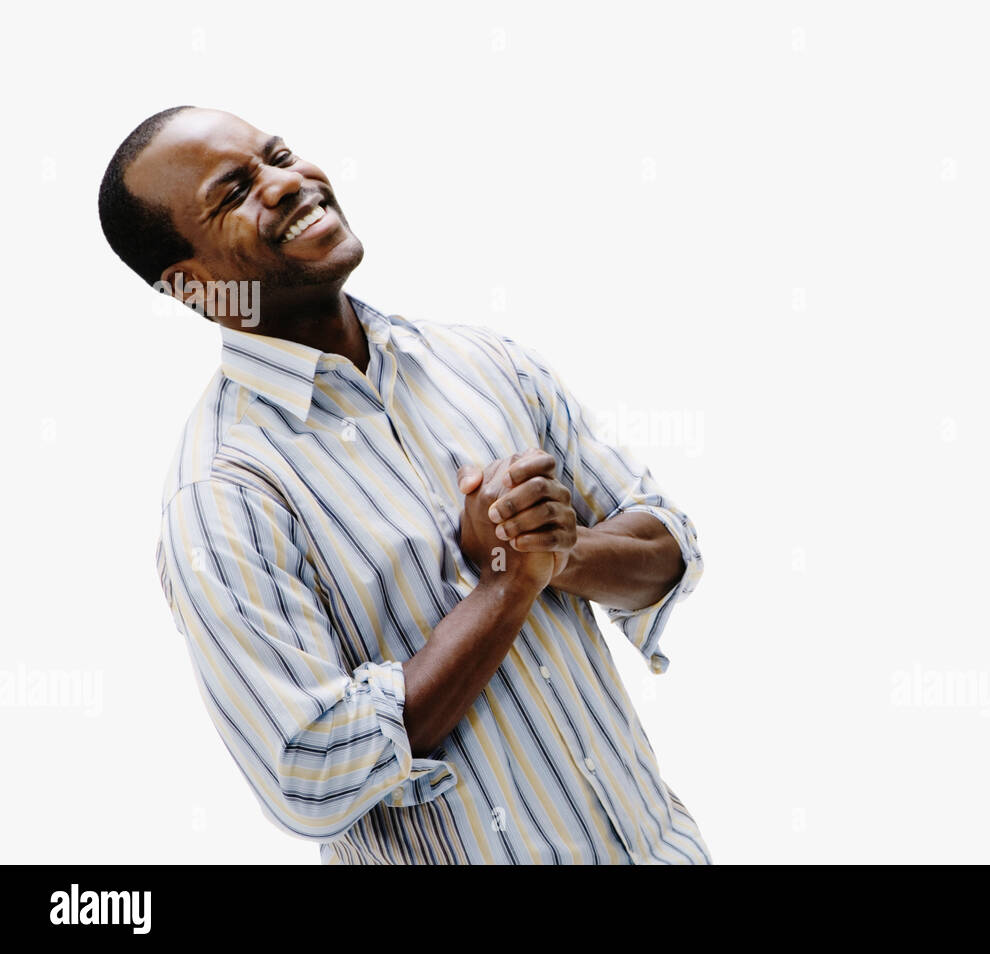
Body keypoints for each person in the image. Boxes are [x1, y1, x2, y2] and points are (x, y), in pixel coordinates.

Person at [98, 106, 710, 864]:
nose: (288, 184)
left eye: (279, 155)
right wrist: (505, 585)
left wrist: (563, 549)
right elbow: (307, 773)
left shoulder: (485, 363)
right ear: (194, 287)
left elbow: (667, 547)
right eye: (235, 191)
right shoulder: (222, 497)